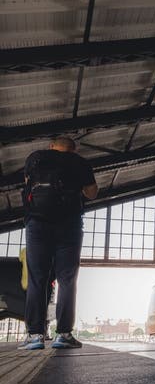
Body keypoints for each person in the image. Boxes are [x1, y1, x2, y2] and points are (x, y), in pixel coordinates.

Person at [19, 137, 98, 351]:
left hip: (37, 224)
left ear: (51, 146)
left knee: (38, 279)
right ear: (74, 149)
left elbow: (28, 185)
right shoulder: (80, 162)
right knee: (67, 280)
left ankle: (35, 335)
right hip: (69, 226)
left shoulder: (35, 158)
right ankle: (63, 334)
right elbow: (92, 193)